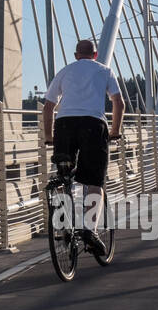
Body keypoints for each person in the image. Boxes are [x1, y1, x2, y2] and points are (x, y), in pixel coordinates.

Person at [43, 37, 124, 249]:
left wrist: (49, 137)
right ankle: (90, 230)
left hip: (64, 126)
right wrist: (114, 131)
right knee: (94, 183)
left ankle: (63, 226)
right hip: (93, 125)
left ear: (76, 56)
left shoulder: (64, 71)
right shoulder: (105, 70)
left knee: (63, 177)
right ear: (95, 55)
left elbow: (48, 106)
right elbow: (119, 103)